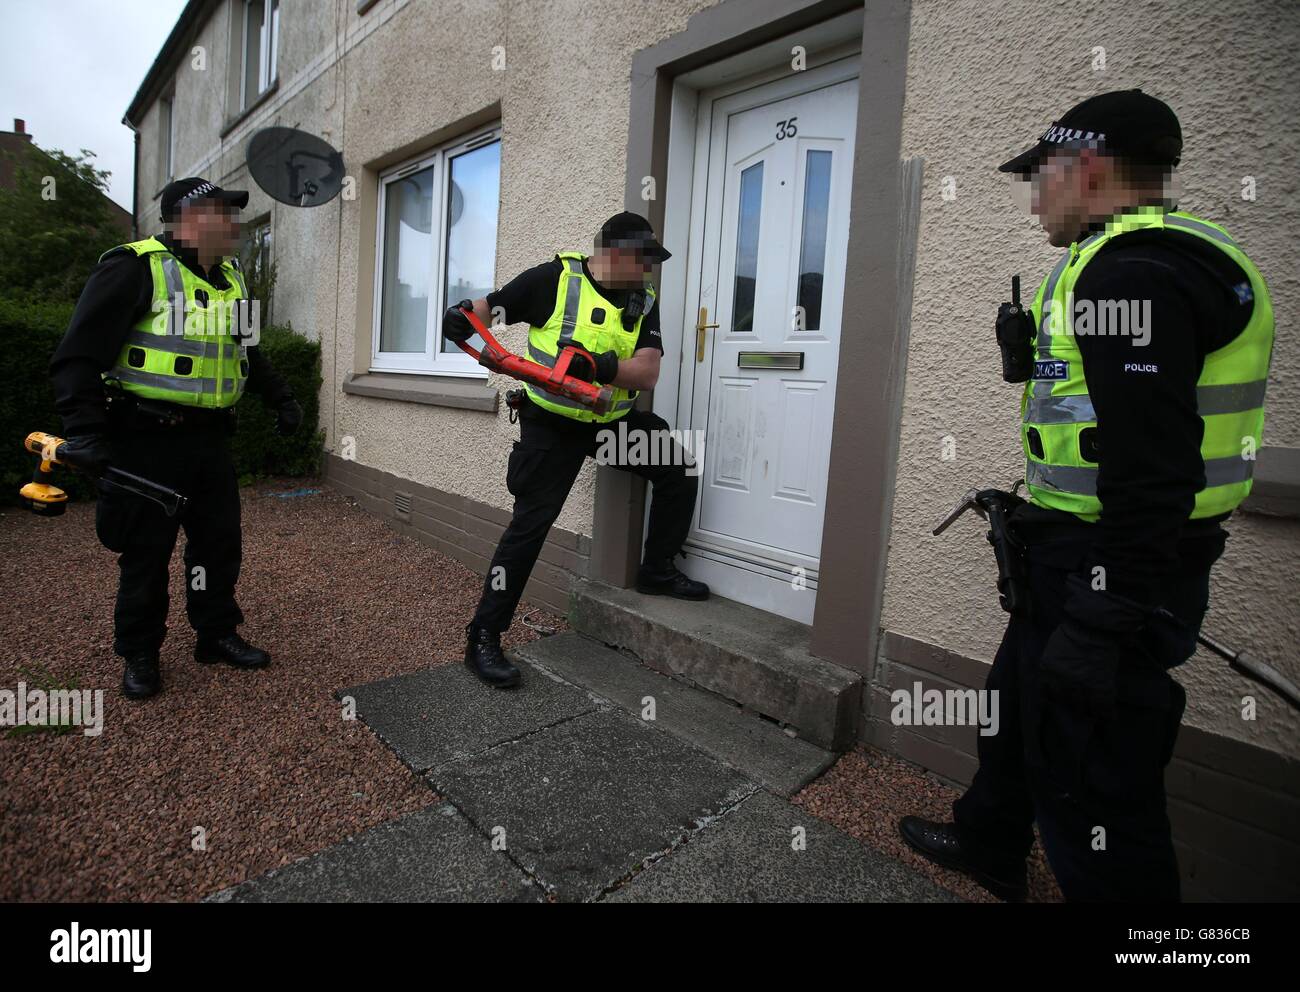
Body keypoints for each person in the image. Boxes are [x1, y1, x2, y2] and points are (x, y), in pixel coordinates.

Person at [899, 90, 1274, 901]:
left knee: (1093, 780)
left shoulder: (1134, 271)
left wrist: (1104, 622)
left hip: (1116, 567)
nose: (1035, 200)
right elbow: (1111, 419)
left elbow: (1153, 474)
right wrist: (1026, 360)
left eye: (1042, 178)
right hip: (1074, 551)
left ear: (1089, 167)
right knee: (1014, 704)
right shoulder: (1137, 257)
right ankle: (989, 837)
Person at [49, 177, 303, 699]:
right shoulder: (132, 266)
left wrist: (281, 398)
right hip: (145, 441)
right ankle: (140, 652)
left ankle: (215, 634)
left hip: (210, 445)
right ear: (187, 218)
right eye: (223, 213)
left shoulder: (234, 278)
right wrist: (86, 432)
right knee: (146, 552)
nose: (234, 225)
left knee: (217, 546)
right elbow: (77, 356)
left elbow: (249, 353)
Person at [443, 211, 709, 689]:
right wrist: (461, 315)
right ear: (612, 252)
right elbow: (492, 310)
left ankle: (658, 569)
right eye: (642, 260)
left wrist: (599, 366)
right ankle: (484, 636)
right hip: (552, 425)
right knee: (530, 527)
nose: (648, 271)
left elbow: (647, 372)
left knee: (677, 464)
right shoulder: (554, 279)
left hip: (609, 420)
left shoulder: (642, 301)